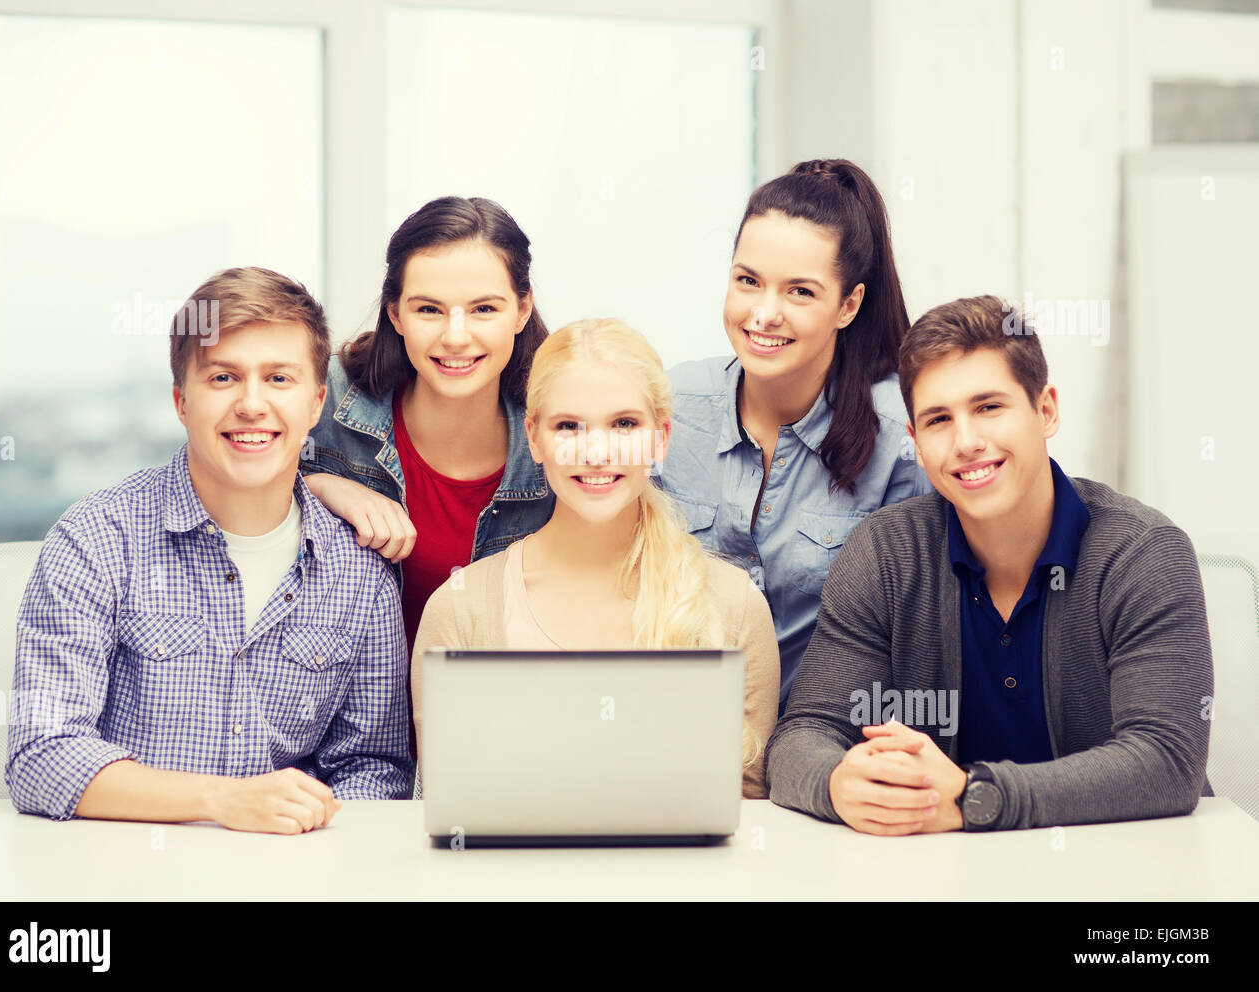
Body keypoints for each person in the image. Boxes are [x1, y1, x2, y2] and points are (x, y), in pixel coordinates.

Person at [767, 295, 1213, 833]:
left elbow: (1166, 761)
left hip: (1122, 868)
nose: (967, 442)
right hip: (942, 874)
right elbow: (802, 735)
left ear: (1045, 410)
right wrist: (837, 783)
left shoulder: (1143, 554)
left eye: (989, 407)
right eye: (938, 420)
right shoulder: (884, 555)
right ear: (915, 441)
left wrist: (970, 798)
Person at [6, 267, 413, 834]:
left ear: (317, 404)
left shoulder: (363, 574)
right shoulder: (97, 537)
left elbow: (374, 770)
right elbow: (42, 757)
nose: (251, 404)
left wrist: (314, 838)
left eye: (278, 379)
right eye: (223, 378)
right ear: (181, 401)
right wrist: (221, 802)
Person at [411, 319, 780, 797]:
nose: (598, 451)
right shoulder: (460, 608)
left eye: (624, 424)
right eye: (568, 426)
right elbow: (446, 803)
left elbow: (747, 807)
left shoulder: (735, 606)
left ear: (661, 437)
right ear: (535, 439)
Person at [657, 159, 930, 714]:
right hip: (675, 743)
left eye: (800, 292)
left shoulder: (902, 432)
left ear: (848, 305)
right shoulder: (671, 406)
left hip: (831, 752)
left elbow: (918, 637)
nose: (764, 313)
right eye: (748, 281)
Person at [300, 197, 555, 756]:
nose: (455, 337)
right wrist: (320, 486)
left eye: (483, 309)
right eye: (429, 310)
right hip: (340, 756)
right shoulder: (328, 402)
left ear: (521, 308)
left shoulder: (562, 433)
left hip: (506, 750)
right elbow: (223, 491)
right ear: (394, 313)